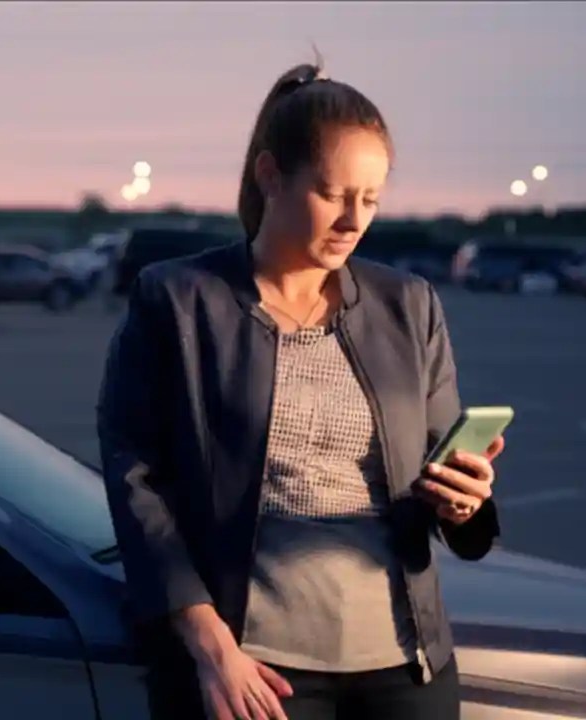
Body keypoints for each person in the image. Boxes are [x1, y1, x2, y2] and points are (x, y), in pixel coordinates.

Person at [96, 59, 505, 720]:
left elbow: (437, 473)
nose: (353, 219)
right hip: (256, 670)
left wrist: (463, 503)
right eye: (332, 192)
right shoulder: (178, 302)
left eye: (370, 199)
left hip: (407, 665)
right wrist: (210, 647)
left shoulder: (410, 306)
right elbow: (137, 481)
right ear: (270, 176)